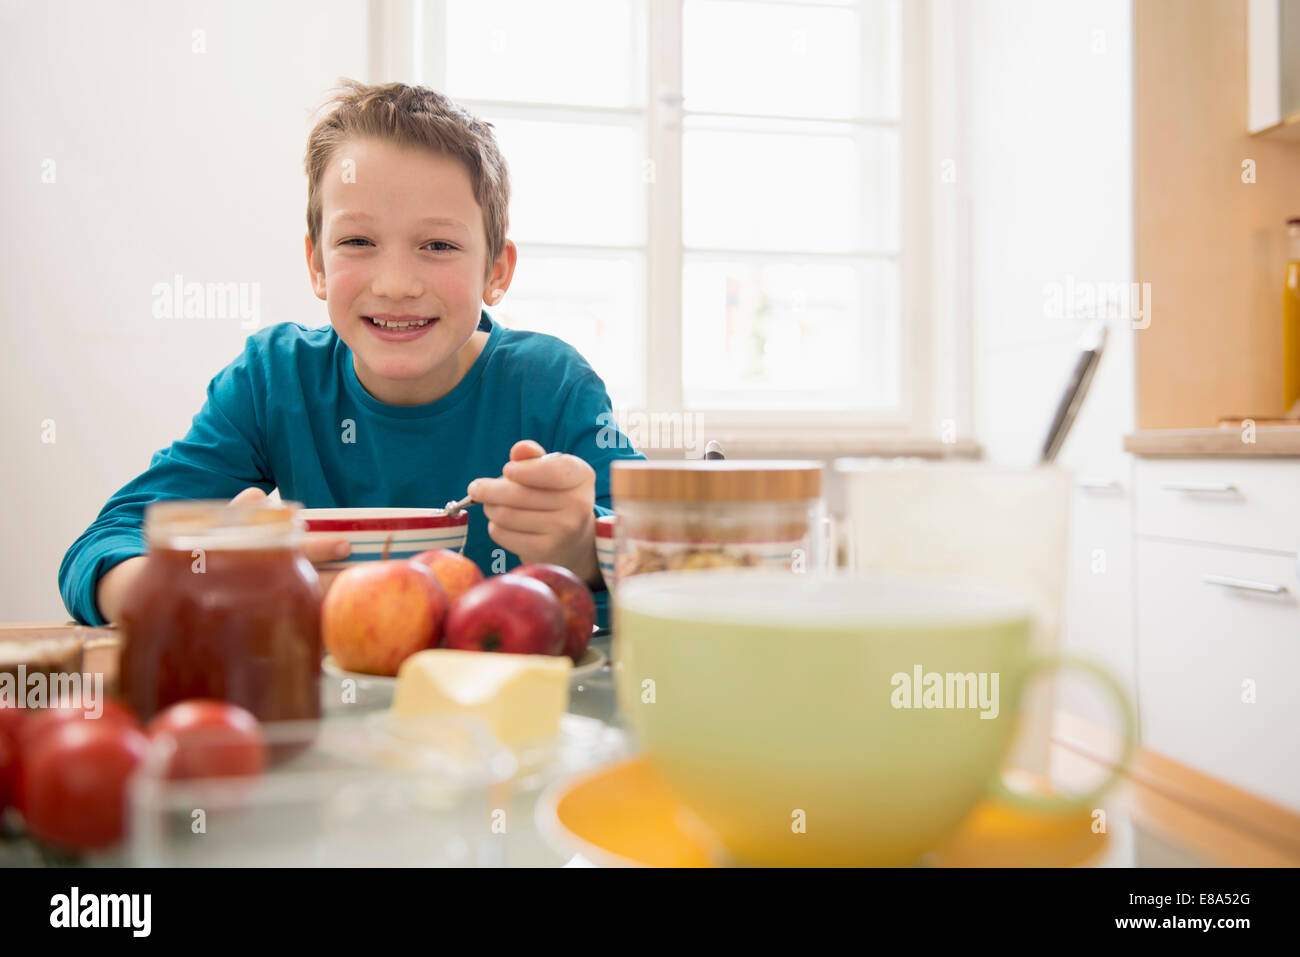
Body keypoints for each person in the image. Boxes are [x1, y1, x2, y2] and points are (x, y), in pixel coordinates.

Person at [59, 80, 643, 630]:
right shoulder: (273, 381)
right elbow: (105, 545)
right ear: (316, 262)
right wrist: (198, 586)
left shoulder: (551, 386)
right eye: (358, 242)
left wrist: (585, 556)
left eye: (437, 245)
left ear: (496, 271)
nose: (394, 284)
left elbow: (680, 568)